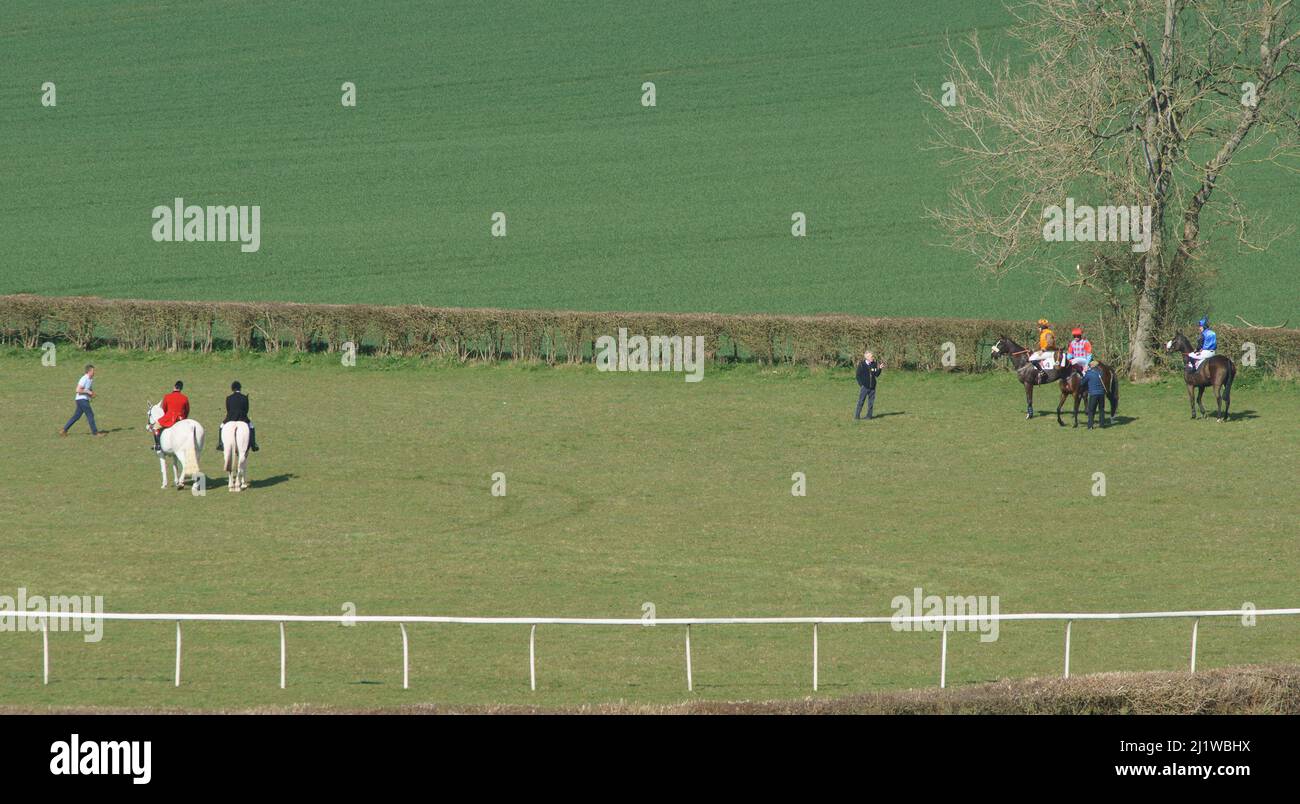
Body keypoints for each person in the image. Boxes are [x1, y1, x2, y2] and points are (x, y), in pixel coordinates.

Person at [60, 364, 104, 437]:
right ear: (89, 371)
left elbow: (88, 389)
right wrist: (89, 392)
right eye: (93, 371)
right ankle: (95, 433)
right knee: (90, 415)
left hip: (83, 400)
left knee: (76, 416)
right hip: (81, 400)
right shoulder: (84, 378)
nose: (94, 372)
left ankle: (64, 430)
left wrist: (91, 394)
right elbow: (78, 390)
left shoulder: (90, 379)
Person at [216, 381, 259, 452]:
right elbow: (246, 410)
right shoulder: (245, 397)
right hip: (243, 418)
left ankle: (220, 443)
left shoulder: (228, 398)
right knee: (252, 427)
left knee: (221, 426)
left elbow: (228, 409)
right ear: (240, 388)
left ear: (232, 389)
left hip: (230, 418)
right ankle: (253, 444)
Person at [152, 380, 190, 453]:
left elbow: (164, 409)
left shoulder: (167, 396)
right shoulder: (185, 398)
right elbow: (187, 410)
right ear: (181, 389)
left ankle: (158, 445)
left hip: (169, 418)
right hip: (180, 419)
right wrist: (184, 418)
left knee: (155, 427)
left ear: (174, 387)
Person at [854, 350, 884, 420]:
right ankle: (857, 416)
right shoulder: (861, 365)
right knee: (861, 401)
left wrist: (879, 369)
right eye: (871, 356)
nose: (873, 358)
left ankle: (869, 416)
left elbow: (876, 375)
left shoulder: (874, 363)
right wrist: (861, 385)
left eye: (872, 356)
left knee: (871, 403)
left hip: (872, 387)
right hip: (864, 387)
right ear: (867, 357)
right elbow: (858, 376)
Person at [1079, 359, 1108, 429]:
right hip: (1101, 394)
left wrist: (1085, 374)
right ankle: (1102, 425)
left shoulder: (1089, 374)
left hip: (1093, 394)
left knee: (1091, 410)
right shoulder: (1100, 373)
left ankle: (1090, 425)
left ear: (1091, 366)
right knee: (1101, 409)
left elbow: (1082, 383)